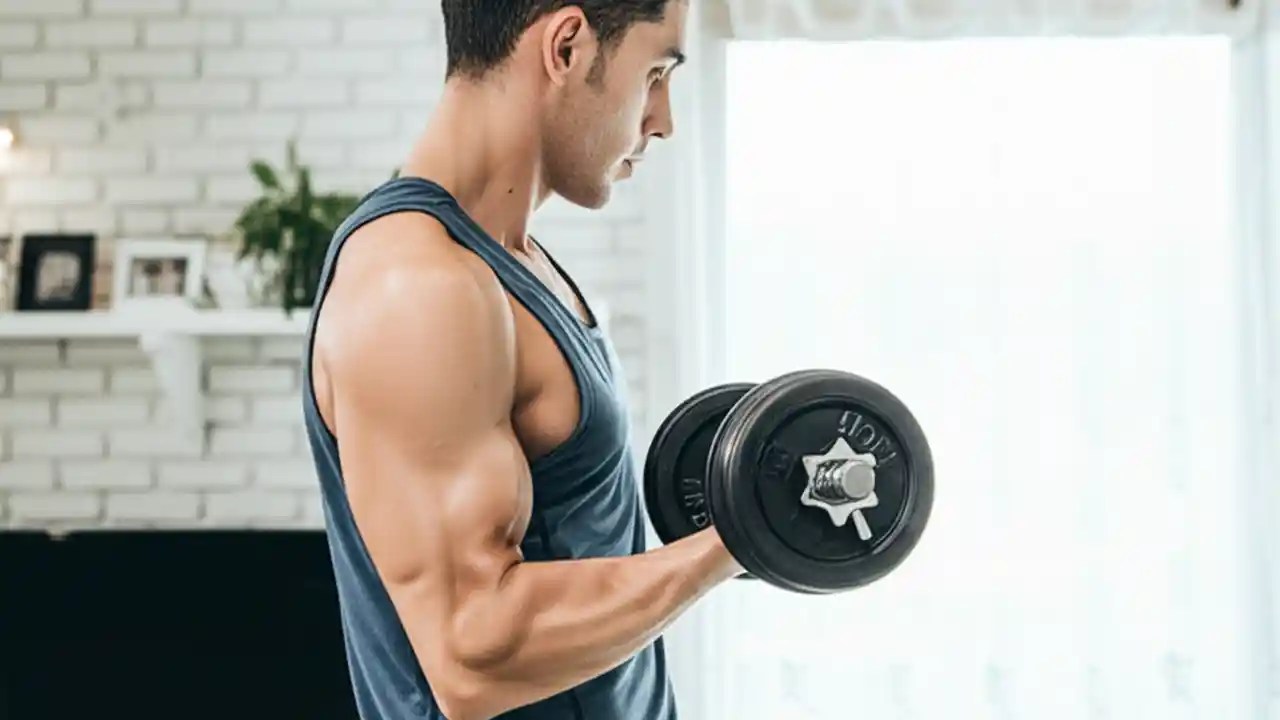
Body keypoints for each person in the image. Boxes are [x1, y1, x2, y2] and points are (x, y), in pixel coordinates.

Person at [300, 1, 744, 719]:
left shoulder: (516, 265)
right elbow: (472, 653)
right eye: (656, 71)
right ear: (566, 46)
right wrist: (737, 541)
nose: (663, 119)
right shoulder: (418, 284)